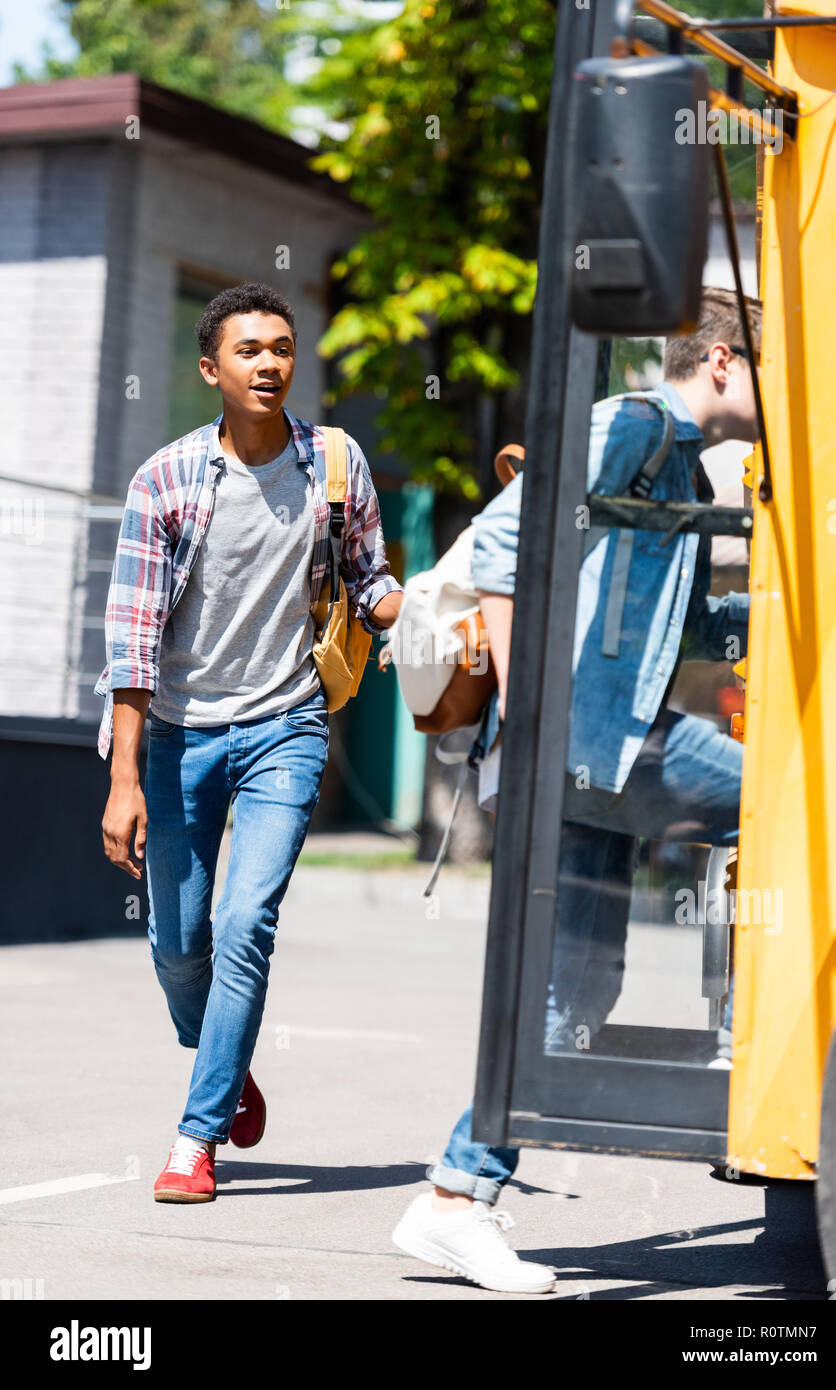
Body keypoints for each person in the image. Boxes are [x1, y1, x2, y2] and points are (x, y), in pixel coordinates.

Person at [392, 287, 760, 1293]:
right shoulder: (629, 424)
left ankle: (454, 1198)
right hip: (589, 742)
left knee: (572, 994)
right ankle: (758, 1046)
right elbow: (510, 550)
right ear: (724, 363)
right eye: (773, 367)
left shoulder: (681, 462)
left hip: (602, 747)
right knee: (792, 801)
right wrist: (535, 706)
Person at [96, 282, 402, 1203]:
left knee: (243, 926)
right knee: (178, 943)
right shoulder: (168, 482)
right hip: (179, 736)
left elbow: (370, 577)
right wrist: (124, 778)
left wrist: (416, 618)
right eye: (248, 351)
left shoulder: (334, 464)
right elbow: (132, 641)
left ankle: (195, 1139)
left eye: (281, 347)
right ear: (210, 369)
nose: (269, 363)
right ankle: (225, 1068)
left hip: (287, 725)